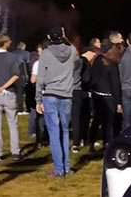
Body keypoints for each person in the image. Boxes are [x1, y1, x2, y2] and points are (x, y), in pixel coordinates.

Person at [37, 26, 79, 178]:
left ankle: (59, 169)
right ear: (63, 35)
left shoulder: (46, 53)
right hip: (66, 95)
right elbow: (76, 59)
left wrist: (38, 99)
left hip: (51, 95)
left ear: (49, 37)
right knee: (65, 130)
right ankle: (66, 168)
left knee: (54, 132)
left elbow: (41, 77)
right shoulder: (72, 51)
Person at [0, 33, 24, 162]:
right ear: (5, 43)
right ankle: (15, 152)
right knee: (12, 123)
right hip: (8, 92)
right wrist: (3, 87)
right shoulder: (12, 57)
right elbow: (16, 75)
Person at [88, 41, 123, 149]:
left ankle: (91, 142)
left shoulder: (96, 60)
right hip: (109, 96)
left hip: (97, 94)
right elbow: (115, 83)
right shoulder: (112, 64)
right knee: (109, 123)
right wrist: (119, 102)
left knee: (97, 120)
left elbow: (92, 78)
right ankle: (107, 143)